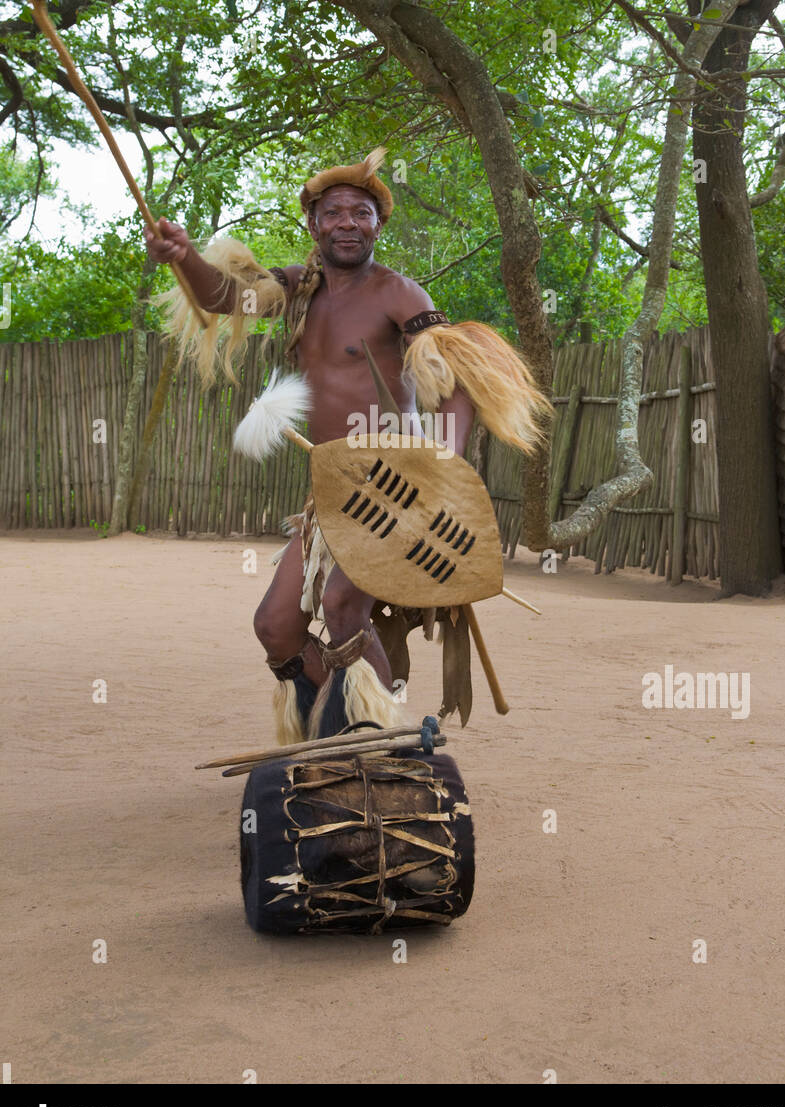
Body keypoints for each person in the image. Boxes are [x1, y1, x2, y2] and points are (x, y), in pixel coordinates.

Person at [144, 149, 547, 743]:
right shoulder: (294, 289)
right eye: (334, 213)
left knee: (341, 607)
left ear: (377, 225)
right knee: (276, 627)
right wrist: (182, 256)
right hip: (329, 493)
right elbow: (225, 300)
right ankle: (329, 732)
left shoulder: (397, 293)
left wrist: (444, 466)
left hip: (391, 488)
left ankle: (384, 740)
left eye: (362, 213)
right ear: (314, 224)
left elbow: (459, 376)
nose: (349, 223)